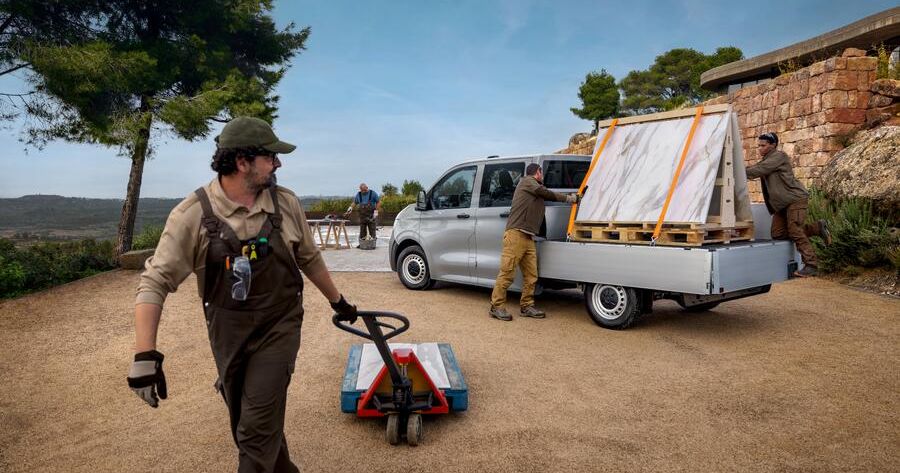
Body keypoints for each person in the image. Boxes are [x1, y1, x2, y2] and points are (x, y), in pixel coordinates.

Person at [126, 116, 359, 473]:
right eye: (270, 157)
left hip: (279, 326)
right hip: (228, 335)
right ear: (242, 162)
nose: (279, 163)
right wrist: (145, 355)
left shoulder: (286, 204)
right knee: (248, 424)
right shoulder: (192, 215)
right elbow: (154, 282)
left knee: (253, 431)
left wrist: (337, 301)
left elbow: (309, 258)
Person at [489, 163, 579, 321]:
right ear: (537, 172)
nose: (542, 176)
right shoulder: (527, 181)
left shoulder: (534, 188)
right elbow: (544, 192)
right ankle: (496, 306)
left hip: (528, 237)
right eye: (541, 172)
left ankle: (526, 306)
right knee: (507, 273)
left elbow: (543, 194)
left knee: (531, 275)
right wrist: (570, 198)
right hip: (515, 235)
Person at [746, 132, 831, 277]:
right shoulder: (767, 159)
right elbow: (756, 169)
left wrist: (735, 169)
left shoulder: (779, 157)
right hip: (781, 204)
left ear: (773, 145)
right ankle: (817, 227)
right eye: (758, 145)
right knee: (778, 234)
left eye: (763, 145)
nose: (759, 148)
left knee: (795, 230)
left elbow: (758, 170)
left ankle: (811, 265)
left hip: (794, 199)